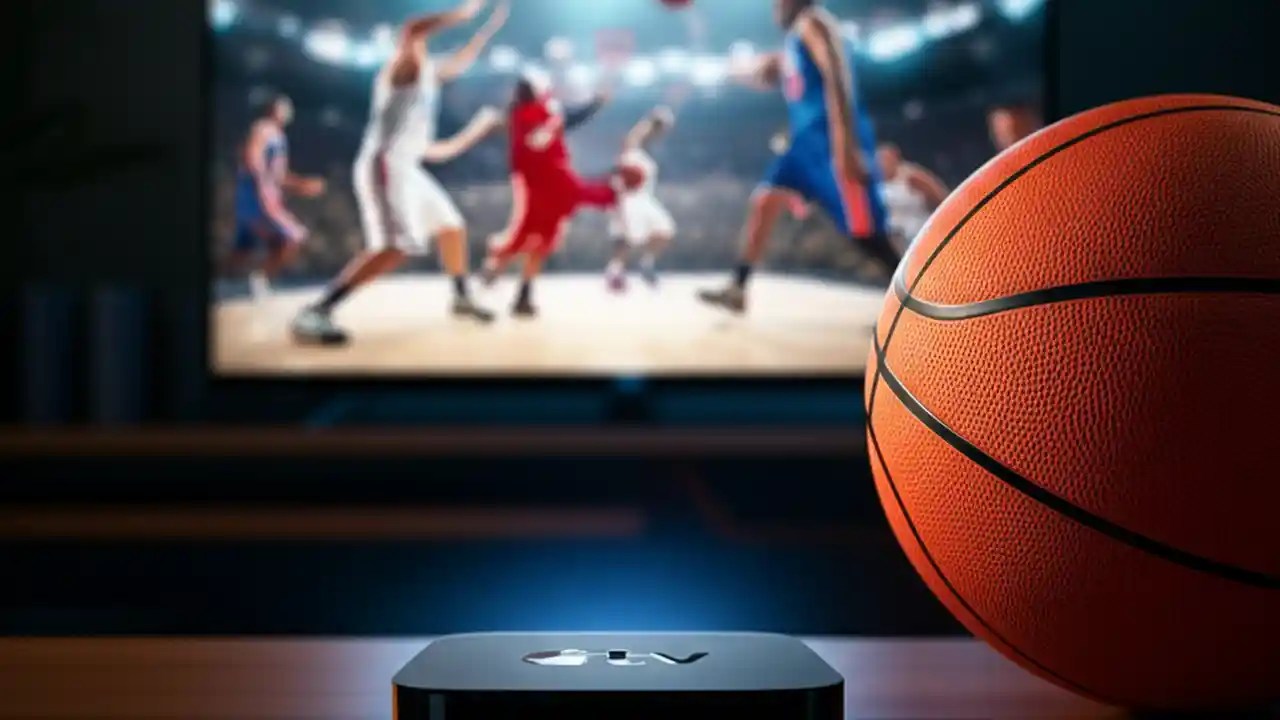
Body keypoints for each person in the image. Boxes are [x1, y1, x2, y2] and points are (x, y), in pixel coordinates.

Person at [291, 0, 509, 346]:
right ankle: (317, 310)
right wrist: (466, 13)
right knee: (395, 248)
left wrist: (486, 33)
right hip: (385, 163)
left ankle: (461, 297)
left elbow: (441, 148)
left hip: (406, 166)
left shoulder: (425, 88)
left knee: (451, 227)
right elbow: (412, 29)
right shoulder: (403, 67)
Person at [698, 0, 894, 314]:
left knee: (866, 232)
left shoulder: (813, 22)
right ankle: (738, 287)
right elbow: (766, 73)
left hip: (831, 141)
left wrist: (846, 143)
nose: (774, 6)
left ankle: (915, 299)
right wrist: (738, 68)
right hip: (803, 146)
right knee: (765, 200)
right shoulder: (793, 42)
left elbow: (838, 75)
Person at [476, 70, 625, 317]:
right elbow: (543, 139)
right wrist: (611, 191)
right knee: (533, 235)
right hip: (544, 178)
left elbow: (570, 119)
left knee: (535, 239)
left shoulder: (542, 111)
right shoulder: (527, 114)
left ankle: (518, 291)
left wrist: (596, 103)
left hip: (540, 179)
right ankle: (496, 271)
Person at [229, 94, 326, 301]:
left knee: (245, 248)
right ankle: (258, 280)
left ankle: (246, 282)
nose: (289, 110)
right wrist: (261, 188)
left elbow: (280, 176)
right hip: (257, 195)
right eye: (285, 106)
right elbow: (252, 157)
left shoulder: (279, 137)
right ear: (274, 109)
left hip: (262, 195)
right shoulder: (264, 128)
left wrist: (302, 185)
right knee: (293, 236)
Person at [606, 106, 677, 292]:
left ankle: (646, 264)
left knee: (665, 230)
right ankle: (614, 273)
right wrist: (653, 121)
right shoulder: (633, 146)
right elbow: (632, 140)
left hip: (645, 197)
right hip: (628, 197)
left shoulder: (649, 151)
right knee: (625, 238)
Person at [876, 142, 949, 254]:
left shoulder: (911, 176)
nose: (882, 164)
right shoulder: (879, 186)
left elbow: (940, 196)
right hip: (902, 241)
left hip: (924, 229)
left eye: (885, 159)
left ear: (894, 157)